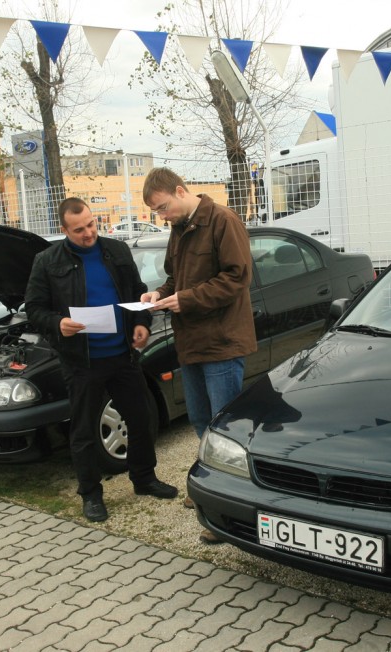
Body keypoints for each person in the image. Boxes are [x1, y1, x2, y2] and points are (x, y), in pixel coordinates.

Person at [25, 197, 178, 523]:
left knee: (140, 419)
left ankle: (144, 478)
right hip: (81, 361)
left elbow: (136, 293)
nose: (88, 233)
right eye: (79, 230)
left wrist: (140, 324)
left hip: (122, 355)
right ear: (64, 229)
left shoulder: (116, 252)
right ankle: (91, 494)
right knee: (82, 431)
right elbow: (34, 310)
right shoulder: (47, 261)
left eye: (92, 224)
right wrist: (58, 324)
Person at [139, 167, 257, 544]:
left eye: (162, 207)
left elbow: (237, 278)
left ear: (179, 190)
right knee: (201, 420)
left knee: (224, 429)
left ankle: (230, 509)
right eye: (157, 212)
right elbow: (177, 279)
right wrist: (159, 293)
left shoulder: (223, 220)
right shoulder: (179, 229)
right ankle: (210, 490)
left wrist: (185, 299)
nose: (162, 216)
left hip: (222, 342)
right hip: (190, 342)